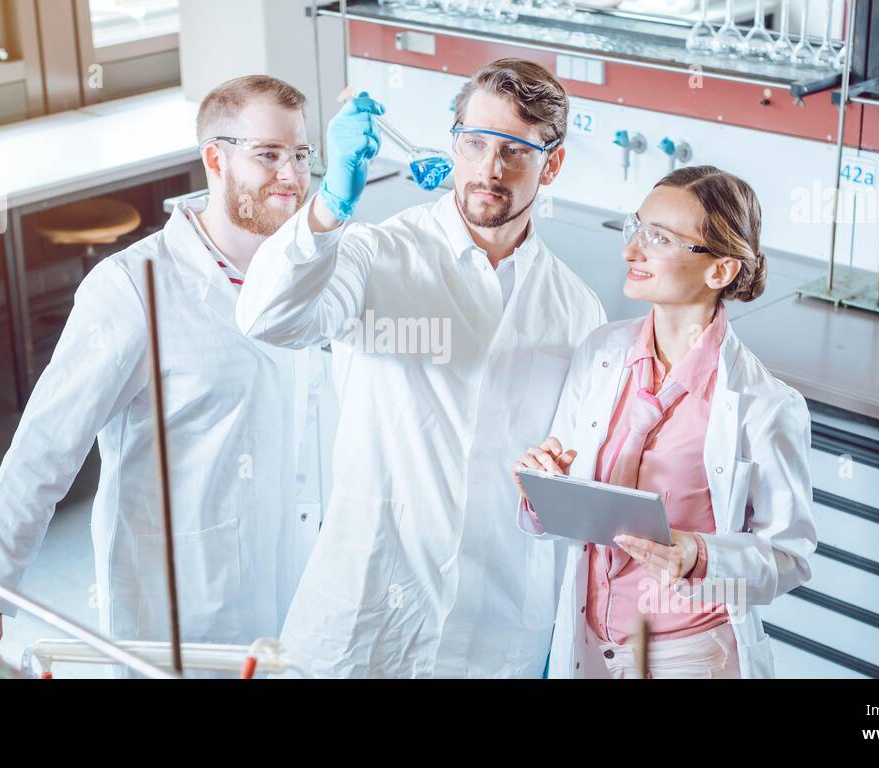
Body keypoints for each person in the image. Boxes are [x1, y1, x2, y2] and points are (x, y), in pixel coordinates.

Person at [236, 58, 606, 677]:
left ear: (554, 164)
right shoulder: (377, 252)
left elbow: (577, 473)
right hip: (370, 605)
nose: (490, 168)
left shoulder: (577, 309)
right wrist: (327, 209)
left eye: (516, 150)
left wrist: (561, 482)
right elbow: (270, 317)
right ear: (452, 145)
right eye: (476, 143)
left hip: (497, 620)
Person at [0, 75, 326, 653]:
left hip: (303, 583)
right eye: (268, 155)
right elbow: (46, 445)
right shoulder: (132, 288)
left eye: (301, 155)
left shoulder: (314, 272)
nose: (291, 177)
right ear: (215, 160)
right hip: (183, 599)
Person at [514, 165, 816, 679]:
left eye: (659, 238)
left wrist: (698, 554)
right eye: (636, 229)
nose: (631, 252)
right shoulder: (600, 353)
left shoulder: (765, 404)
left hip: (691, 658)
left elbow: (788, 558)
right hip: (589, 645)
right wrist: (544, 488)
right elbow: (566, 512)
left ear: (719, 271)